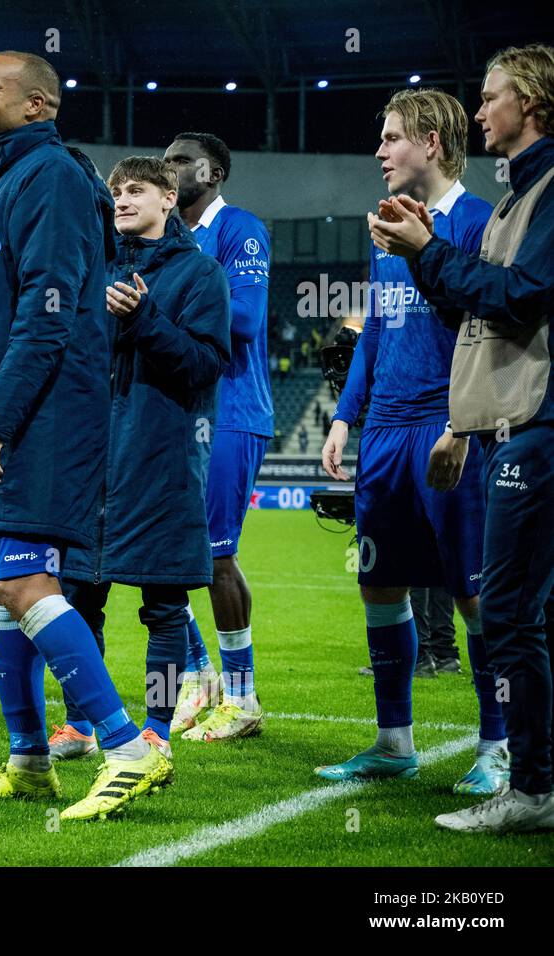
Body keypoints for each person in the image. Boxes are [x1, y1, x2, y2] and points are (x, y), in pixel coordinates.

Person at [0, 51, 165, 823]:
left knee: (30, 584)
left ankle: (128, 748)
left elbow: (54, 306)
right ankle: (29, 760)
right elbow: (24, 299)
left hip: (42, 419)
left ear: (38, 105)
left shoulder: (57, 177)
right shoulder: (11, 182)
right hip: (14, 411)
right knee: (0, 588)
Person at [368, 44, 554, 832]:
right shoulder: (518, 196)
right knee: (503, 606)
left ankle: (521, 775)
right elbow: (471, 312)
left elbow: (520, 297)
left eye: (492, 97)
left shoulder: (533, 195)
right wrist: (424, 258)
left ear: (533, 101)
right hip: (486, 421)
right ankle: (523, 778)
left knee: (502, 606)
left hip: (527, 423)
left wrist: (430, 253)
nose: (482, 112)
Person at [318, 87, 504, 797]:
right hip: (387, 433)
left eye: (392, 137)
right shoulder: (389, 227)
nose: (379, 150)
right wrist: (343, 417)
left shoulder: (483, 222)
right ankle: (394, 743)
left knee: (474, 594)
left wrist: (463, 424)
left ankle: (499, 746)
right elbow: (375, 332)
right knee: (379, 585)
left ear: (431, 143)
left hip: (450, 428)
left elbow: (493, 331)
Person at [57, 156, 230, 767]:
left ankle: (155, 725)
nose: (122, 199)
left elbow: (205, 364)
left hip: (159, 460)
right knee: (78, 599)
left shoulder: (199, 273)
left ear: (167, 196)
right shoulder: (90, 267)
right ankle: (80, 720)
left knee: (163, 608)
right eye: (115, 192)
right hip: (86, 462)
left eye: (136, 190)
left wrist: (146, 319)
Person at [162, 133, 272, 741]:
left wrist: (160, 303)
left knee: (213, 555)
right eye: (166, 159)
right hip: (173, 412)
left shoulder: (240, 229)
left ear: (216, 171)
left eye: (182, 160)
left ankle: (243, 696)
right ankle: (201, 672)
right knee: (164, 553)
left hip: (230, 409)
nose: (170, 168)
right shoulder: (167, 235)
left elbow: (248, 321)